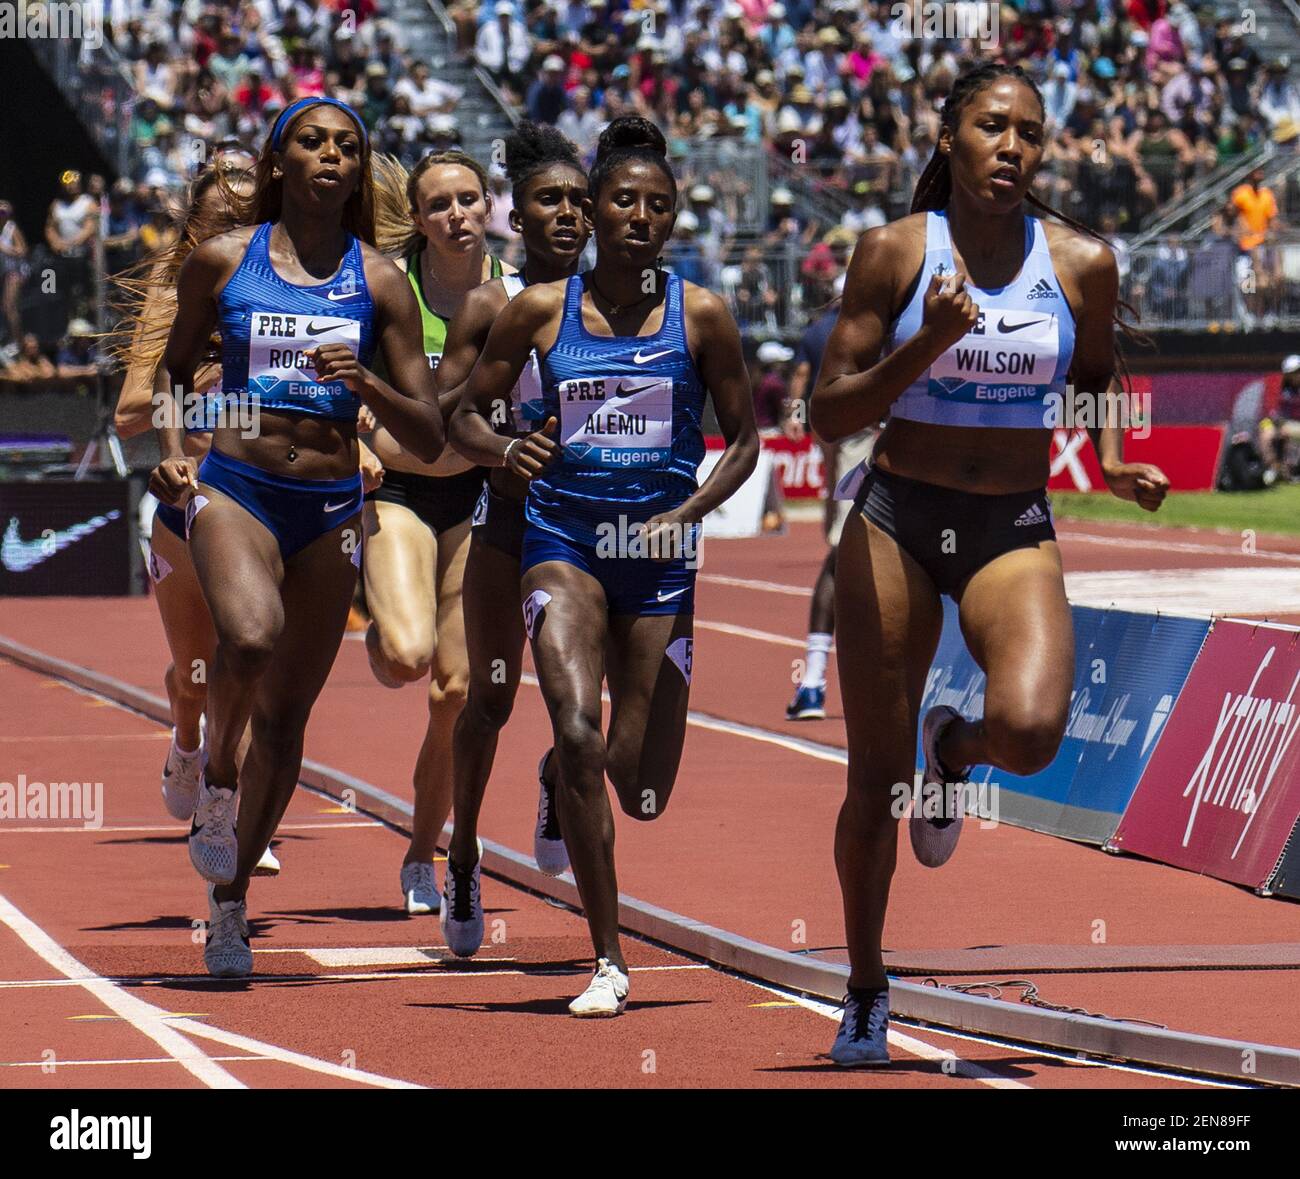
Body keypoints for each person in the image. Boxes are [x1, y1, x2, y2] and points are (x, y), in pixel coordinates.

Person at [810, 62, 1170, 1066]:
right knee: (873, 780)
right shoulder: (891, 254)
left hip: (1009, 520)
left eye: (1027, 133)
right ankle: (867, 989)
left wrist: (1111, 459)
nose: (1010, 147)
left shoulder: (1081, 263)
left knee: (1029, 730)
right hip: (895, 520)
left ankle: (955, 751)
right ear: (948, 140)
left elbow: (1092, 377)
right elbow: (826, 412)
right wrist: (924, 343)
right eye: (989, 128)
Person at [462, 116, 759, 1016]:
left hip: (660, 555)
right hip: (565, 544)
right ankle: (609, 957)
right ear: (592, 211)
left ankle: (561, 776)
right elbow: (466, 414)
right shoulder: (538, 311)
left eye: (657, 206)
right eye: (623, 200)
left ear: (672, 221)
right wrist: (501, 451)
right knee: (579, 727)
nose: (639, 216)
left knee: (643, 789)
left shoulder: (700, 313)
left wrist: (690, 513)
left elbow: (744, 441)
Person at [150, 97, 443, 977]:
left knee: (288, 715)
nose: (330, 156)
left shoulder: (381, 279)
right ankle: (219, 783)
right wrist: (172, 453)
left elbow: (427, 430)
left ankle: (231, 901)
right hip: (236, 486)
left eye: (346, 147)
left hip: (328, 506)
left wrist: (368, 385)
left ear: (359, 170)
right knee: (248, 635)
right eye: (312, 142)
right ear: (280, 161)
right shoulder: (224, 260)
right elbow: (170, 372)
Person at [440, 121, 590, 955]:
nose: (567, 214)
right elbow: (445, 422)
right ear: (517, 215)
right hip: (506, 523)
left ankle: (553, 776)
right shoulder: (491, 306)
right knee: (492, 696)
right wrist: (505, 449)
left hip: (595, 536)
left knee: (585, 711)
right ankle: (462, 852)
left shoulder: (628, 301)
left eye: (578, 200)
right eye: (549, 200)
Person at [361, 149, 515, 917]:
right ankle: (380, 630)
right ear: (418, 219)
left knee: (458, 690)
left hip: (478, 496)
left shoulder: (517, 292)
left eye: (469, 198)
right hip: (398, 490)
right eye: (440, 204)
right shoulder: (386, 287)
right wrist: (355, 441)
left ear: (489, 205)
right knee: (406, 656)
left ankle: (427, 851)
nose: (457, 214)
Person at [786, 273, 880, 721]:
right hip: (875, 438)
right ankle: (815, 680)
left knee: (845, 553)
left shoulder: (820, 329)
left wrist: (796, 417)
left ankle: (814, 682)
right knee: (847, 555)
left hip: (849, 440)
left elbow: (804, 377)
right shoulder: (884, 322)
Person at [1260, 354, 1300, 481]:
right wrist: (1281, 425)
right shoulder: (1275, 383)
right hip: (1272, 421)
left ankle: (1290, 470)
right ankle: (1273, 468)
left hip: (1293, 423)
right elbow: (1270, 410)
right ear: (1287, 374)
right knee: (1266, 435)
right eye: (1295, 372)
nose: (1298, 375)